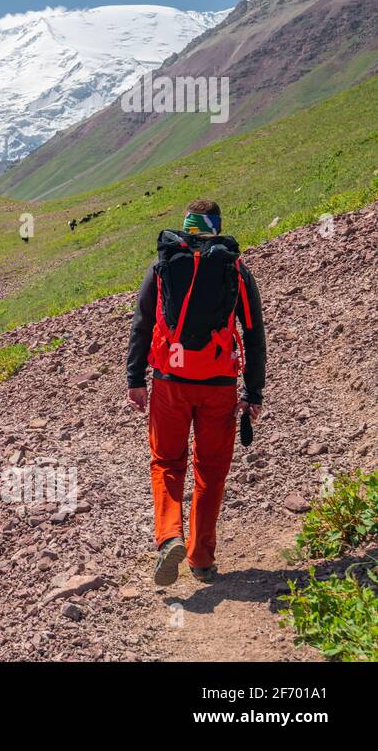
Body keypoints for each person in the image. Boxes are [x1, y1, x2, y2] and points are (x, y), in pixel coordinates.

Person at [125, 199, 266, 585]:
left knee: (167, 462)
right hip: (218, 386)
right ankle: (201, 559)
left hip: (170, 382)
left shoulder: (163, 265)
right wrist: (253, 393)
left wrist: (135, 379)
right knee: (211, 469)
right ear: (217, 228)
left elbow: (142, 323)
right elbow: (253, 334)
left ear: (186, 228)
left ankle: (169, 535)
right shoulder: (234, 269)